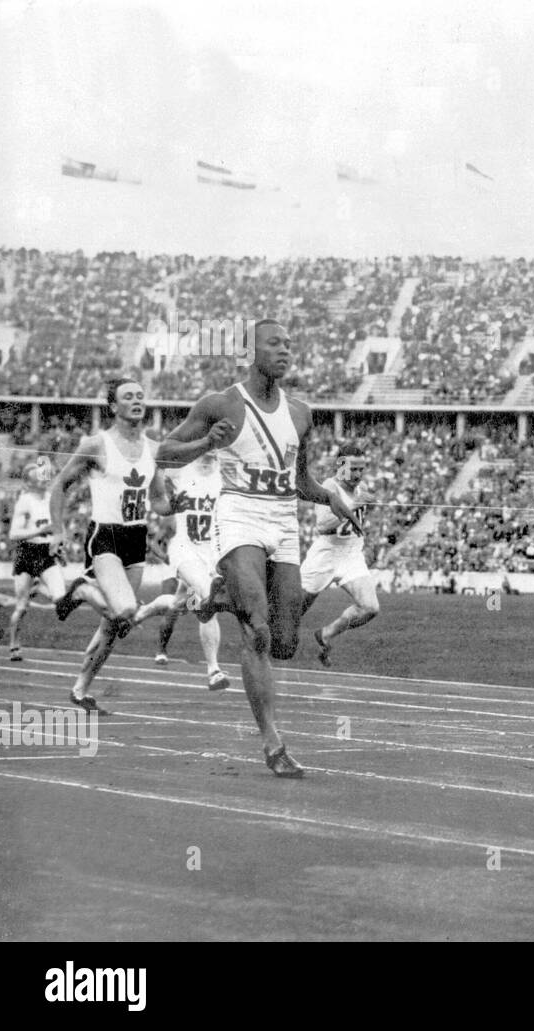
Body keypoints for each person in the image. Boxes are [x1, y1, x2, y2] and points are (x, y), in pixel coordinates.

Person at [157, 319, 360, 778]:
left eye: (290, 343)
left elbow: (301, 481)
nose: (285, 350)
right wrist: (206, 443)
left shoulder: (302, 413)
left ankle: (222, 595)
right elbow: (164, 453)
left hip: (283, 523)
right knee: (257, 628)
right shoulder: (221, 403)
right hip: (238, 519)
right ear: (251, 351)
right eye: (274, 344)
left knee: (285, 642)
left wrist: (331, 498)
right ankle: (273, 743)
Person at [48, 378, 173, 713]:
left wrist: (180, 503)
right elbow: (60, 485)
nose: (136, 400)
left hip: (136, 538)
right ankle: (80, 591)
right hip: (105, 536)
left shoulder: (154, 448)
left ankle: (79, 691)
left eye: (139, 395)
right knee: (125, 613)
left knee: (113, 628)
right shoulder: (96, 444)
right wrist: (58, 532)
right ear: (113, 407)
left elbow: (159, 501)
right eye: (127, 396)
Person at [151, 450, 231, 691]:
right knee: (208, 597)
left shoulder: (226, 473)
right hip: (184, 549)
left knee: (177, 604)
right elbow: (157, 471)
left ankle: (144, 611)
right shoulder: (181, 470)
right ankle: (214, 670)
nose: (210, 450)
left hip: (212, 553)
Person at [300, 442, 380, 667]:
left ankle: (326, 634)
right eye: (353, 469)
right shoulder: (329, 487)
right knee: (294, 611)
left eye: (361, 469)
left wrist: (364, 509)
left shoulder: (360, 490)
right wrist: (354, 506)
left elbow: (357, 521)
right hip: (326, 554)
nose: (357, 474)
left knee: (370, 607)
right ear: (340, 465)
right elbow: (323, 525)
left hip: (351, 555)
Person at [5, 457, 69, 661]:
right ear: (29, 482)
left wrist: (61, 546)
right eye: (39, 479)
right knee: (22, 607)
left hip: (46, 554)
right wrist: (41, 530)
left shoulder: (51, 498)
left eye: (45, 478)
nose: (44, 481)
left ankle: (38, 588)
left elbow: (60, 527)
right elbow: (14, 534)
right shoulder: (25, 501)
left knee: (60, 598)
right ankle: (14, 644)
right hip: (27, 553)